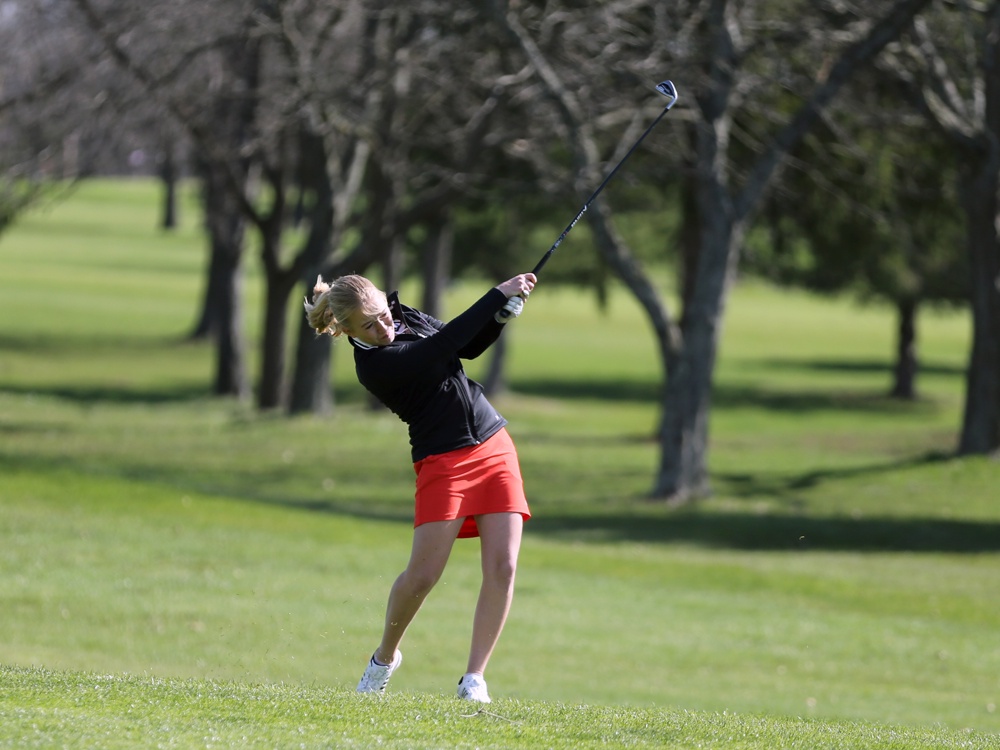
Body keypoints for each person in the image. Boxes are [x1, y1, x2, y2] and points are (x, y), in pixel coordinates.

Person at [303, 271, 537, 704]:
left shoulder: (403, 315)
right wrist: (496, 294)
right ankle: (383, 660)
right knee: (423, 576)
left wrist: (500, 316)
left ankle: (474, 679)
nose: (384, 328)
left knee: (503, 566)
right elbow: (438, 349)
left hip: (493, 445)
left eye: (383, 315)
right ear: (348, 331)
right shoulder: (374, 366)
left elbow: (462, 345)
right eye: (369, 326)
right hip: (442, 462)